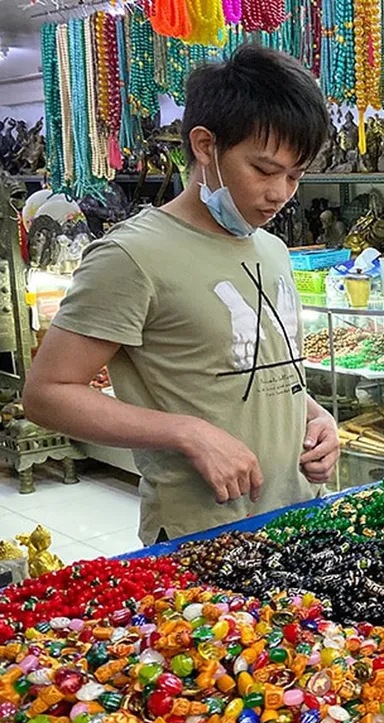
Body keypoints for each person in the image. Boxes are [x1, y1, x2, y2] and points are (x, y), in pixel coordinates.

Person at [24, 45, 340, 545]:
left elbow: (258, 373)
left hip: (299, 516)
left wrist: (313, 416)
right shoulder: (131, 256)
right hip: (201, 535)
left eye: (294, 176)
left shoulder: (273, 249)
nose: (280, 193)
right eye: (263, 170)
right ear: (205, 145)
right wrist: (187, 432)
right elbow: (47, 394)